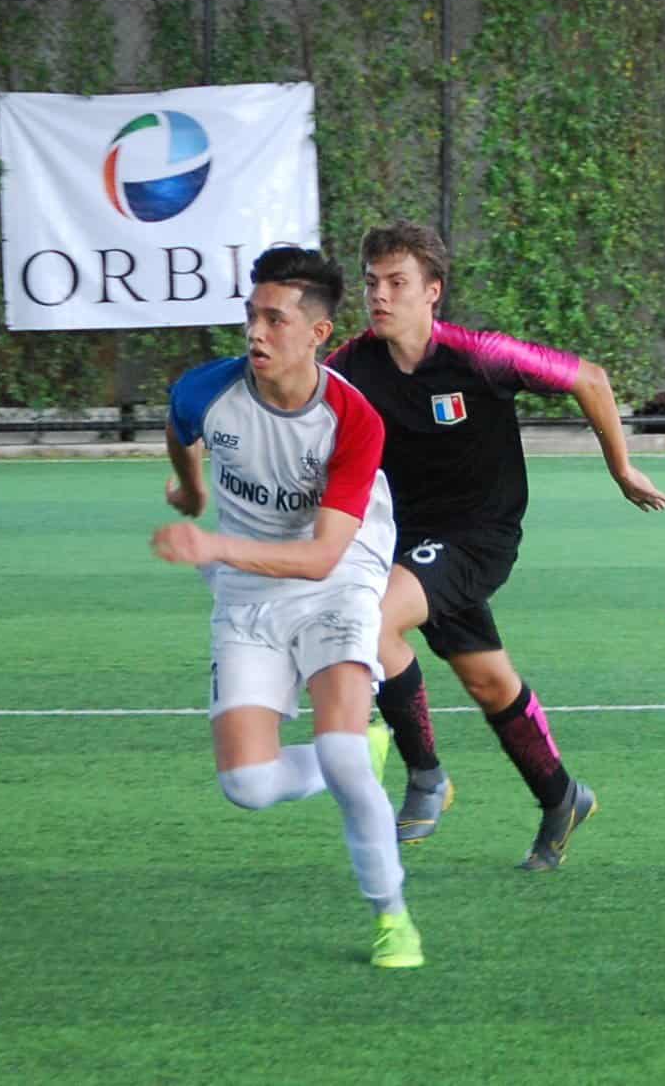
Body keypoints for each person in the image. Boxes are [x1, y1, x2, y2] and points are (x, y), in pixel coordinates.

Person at [324, 221, 665, 871]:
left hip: (480, 534)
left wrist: (621, 470)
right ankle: (560, 793)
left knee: (370, 622)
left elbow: (588, 379)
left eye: (396, 282)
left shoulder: (478, 355)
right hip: (412, 540)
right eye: (372, 282)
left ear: (432, 292)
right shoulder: (352, 364)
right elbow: (296, 403)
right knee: (486, 682)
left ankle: (425, 774)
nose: (379, 295)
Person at [153, 246, 422, 969]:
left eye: (274, 319)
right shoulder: (204, 391)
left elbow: (322, 556)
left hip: (337, 577)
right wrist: (191, 488)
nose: (255, 333)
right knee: (245, 784)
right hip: (245, 589)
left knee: (338, 752)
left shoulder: (353, 420)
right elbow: (180, 431)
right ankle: (357, 752)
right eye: (251, 315)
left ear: (318, 333)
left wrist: (210, 544)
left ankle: (392, 918)